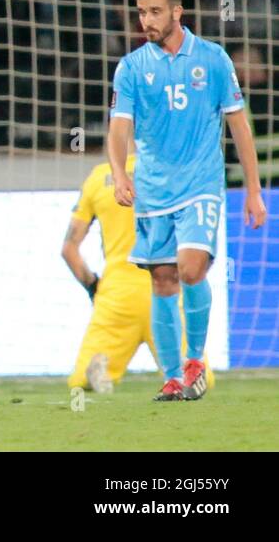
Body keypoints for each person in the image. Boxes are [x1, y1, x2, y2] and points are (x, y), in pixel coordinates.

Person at [107, 0, 267, 400]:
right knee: (161, 278)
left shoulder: (213, 60)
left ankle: (196, 359)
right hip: (153, 190)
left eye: (155, 11)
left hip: (200, 183)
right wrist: (120, 173)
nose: (147, 20)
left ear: (177, 12)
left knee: (191, 268)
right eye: (141, 12)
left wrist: (253, 190)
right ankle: (174, 375)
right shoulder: (131, 68)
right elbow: (118, 128)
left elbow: (239, 126)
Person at [62, 155, 215, 394]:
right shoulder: (171, 171)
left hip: (117, 292)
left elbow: (69, 250)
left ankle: (99, 369)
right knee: (198, 376)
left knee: (80, 380)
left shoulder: (98, 178)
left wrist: (93, 287)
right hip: (166, 288)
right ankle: (181, 374)